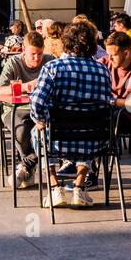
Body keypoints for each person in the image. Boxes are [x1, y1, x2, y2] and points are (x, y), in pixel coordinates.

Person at [30, 21, 113, 208]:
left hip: (58, 141)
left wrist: (41, 120)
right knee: (89, 130)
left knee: (38, 132)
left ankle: (54, 188)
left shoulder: (53, 68)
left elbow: (37, 102)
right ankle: (79, 187)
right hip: (94, 140)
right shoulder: (103, 71)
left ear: (65, 42)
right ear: (92, 44)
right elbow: (107, 102)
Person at [0, 31, 54, 188]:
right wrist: (24, 86)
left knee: (54, 133)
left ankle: (25, 167)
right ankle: (29, 168)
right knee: (22, 130)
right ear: (24, 50)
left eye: (40, 53)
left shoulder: (50, 61)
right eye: (33, 54)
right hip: (15, 109)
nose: (37, 58)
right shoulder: (13, 63)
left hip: (43, 110)